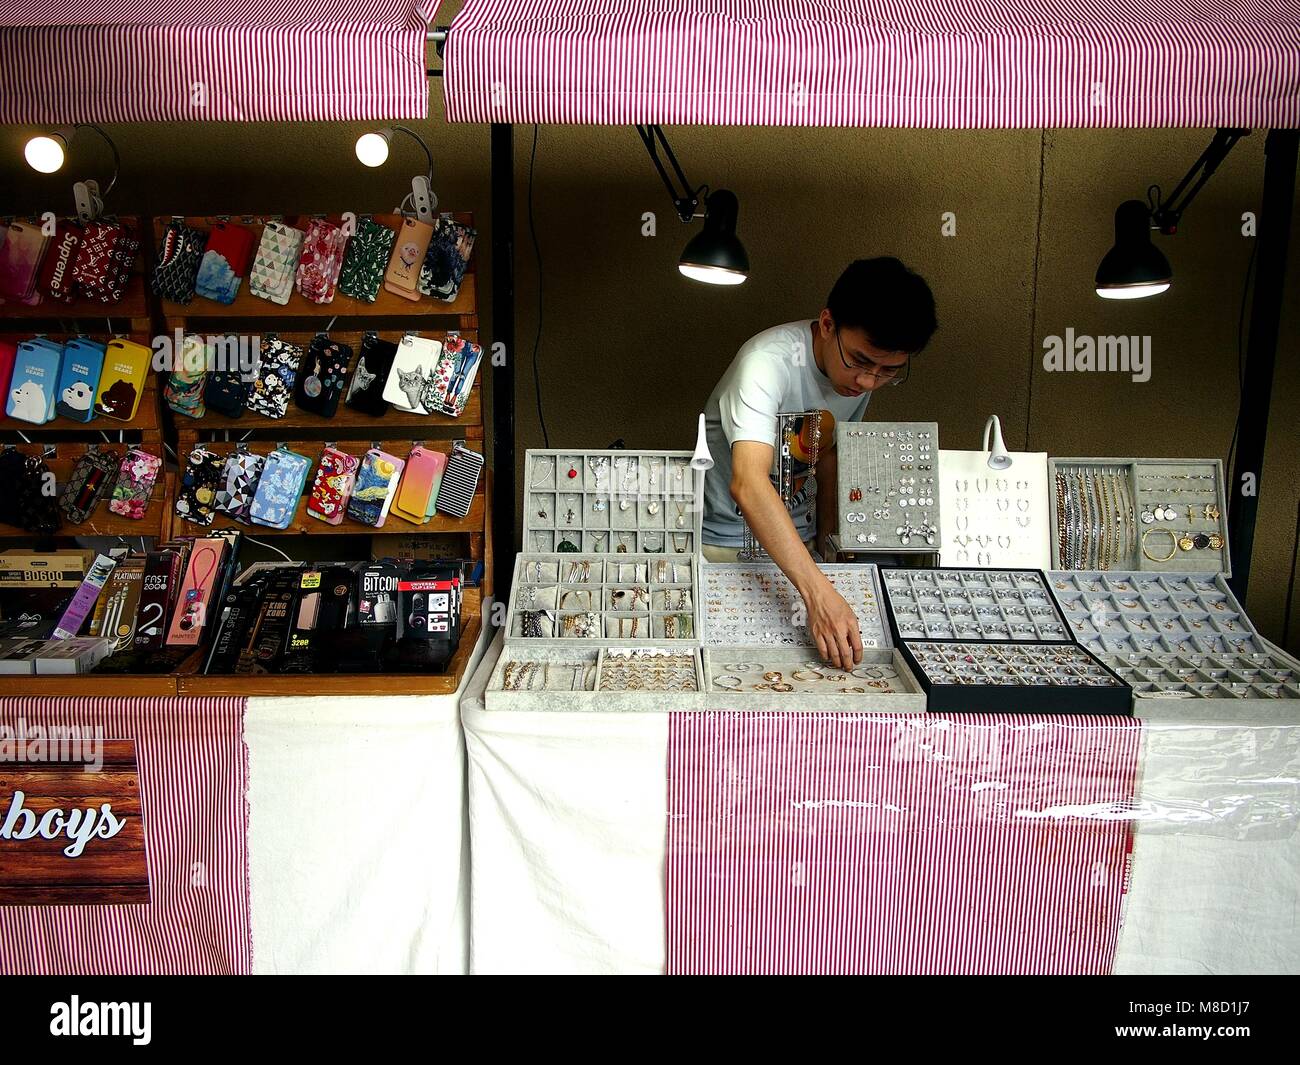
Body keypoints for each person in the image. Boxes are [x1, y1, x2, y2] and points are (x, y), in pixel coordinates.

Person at [701, 257, 938, 668]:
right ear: (828, 324)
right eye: (860, 362)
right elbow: (749, 483)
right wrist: (819, 594)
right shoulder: (766, 363)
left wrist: (829, 539)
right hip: (723, 544)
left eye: (888, 371)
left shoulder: (857, 377)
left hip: (802, 546)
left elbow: (825, 448)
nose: (868, 382)